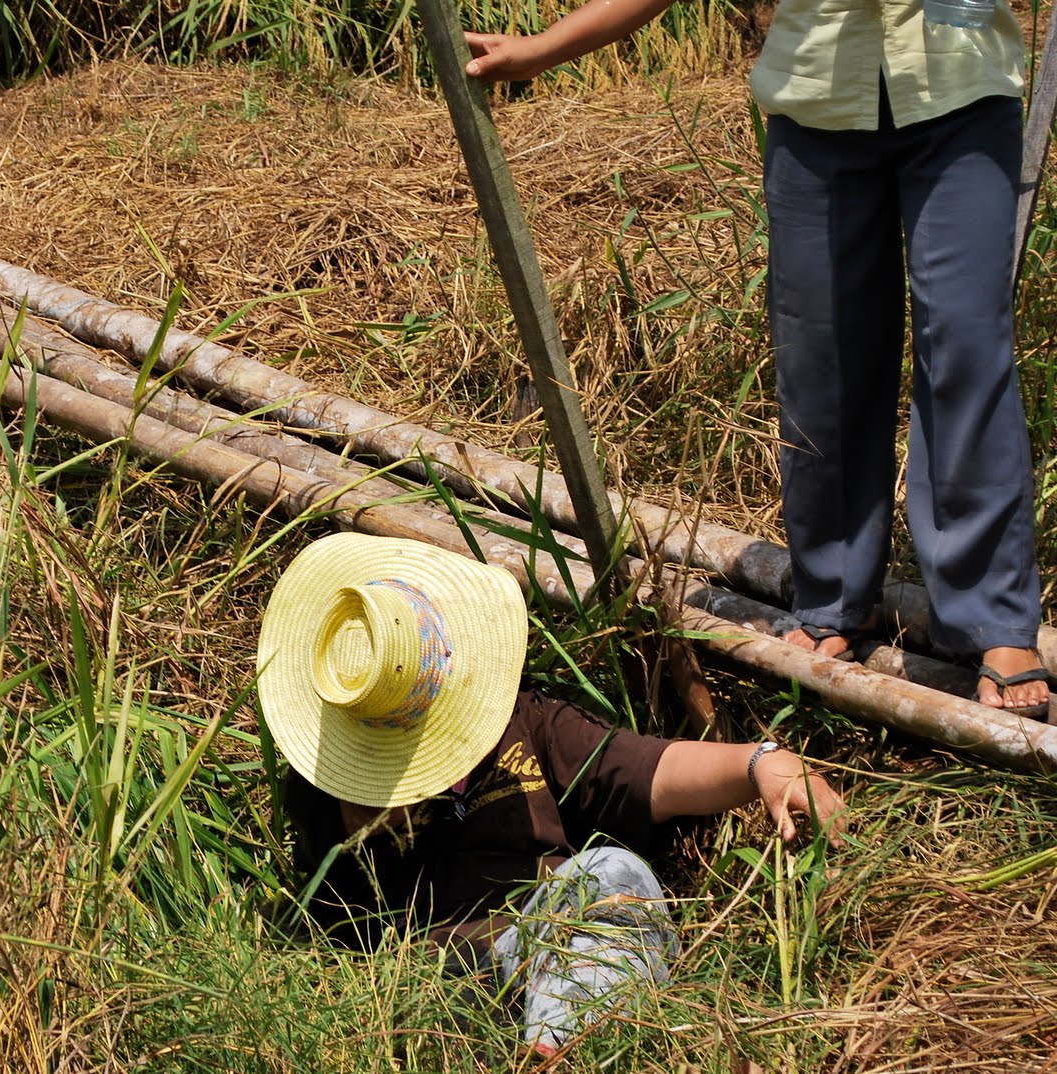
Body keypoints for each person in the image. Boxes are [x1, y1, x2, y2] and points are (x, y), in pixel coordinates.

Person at [463, 1, 1050, 717]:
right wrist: (541, 49)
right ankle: (835, 597)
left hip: (962, 95)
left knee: (964, 345)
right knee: (821, 356)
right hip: (817, 110)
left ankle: (991, 618)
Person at [257, 533, 848, 1054]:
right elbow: (341, 937)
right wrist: (369, 811)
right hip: (441, 980)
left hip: (559, 931)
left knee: (612, 876)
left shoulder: (526, 724)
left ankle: (553, 1047)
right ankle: (562, 1047)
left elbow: (651, 770)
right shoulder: (325, 792)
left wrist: (759, 763)